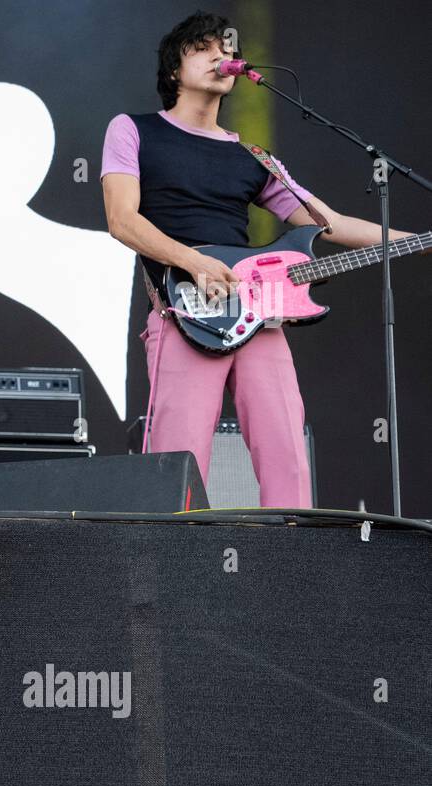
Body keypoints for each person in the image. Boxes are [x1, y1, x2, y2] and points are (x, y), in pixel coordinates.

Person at [101, 10, 420, 508]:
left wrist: (419, 237)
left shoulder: (251, 155)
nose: (221, 57)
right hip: (184, 308)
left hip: (258, 314)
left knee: (287, 453)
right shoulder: (133, 130)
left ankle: (290, 569)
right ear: (172, 70)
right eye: (204, 48)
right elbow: (122, 219)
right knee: (177, 463)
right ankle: (169, 578)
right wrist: (195, 262)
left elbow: (326, 221)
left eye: (228, 50)